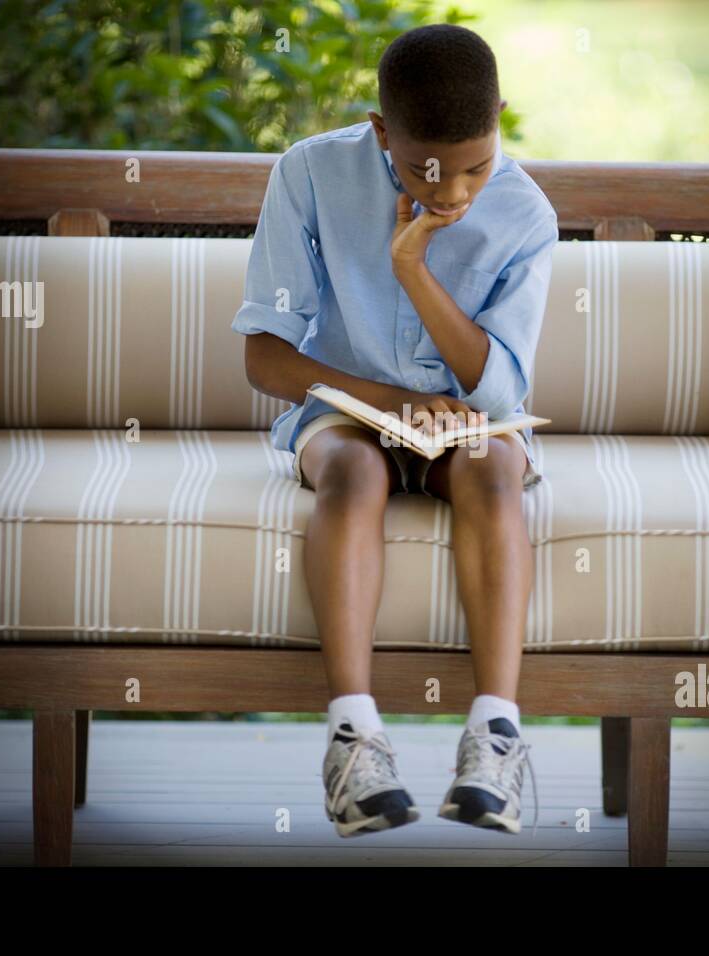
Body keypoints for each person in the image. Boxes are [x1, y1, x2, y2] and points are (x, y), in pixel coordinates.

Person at [232, 23, 557, 836]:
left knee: (491, 467)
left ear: (502, 123)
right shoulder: (310, 173)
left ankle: (496, 735)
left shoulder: (525, 212)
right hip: (344, 415)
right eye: (424, 170)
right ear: (382, 133)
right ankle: (353, 735)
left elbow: (500, 385)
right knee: (356, 472)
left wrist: (411, 268)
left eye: (476, 167)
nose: (451, 195)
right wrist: (383, 401)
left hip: (466, 428)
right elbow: (267, 361)